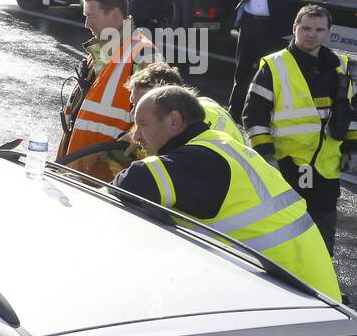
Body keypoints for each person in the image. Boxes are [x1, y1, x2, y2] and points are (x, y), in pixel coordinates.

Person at [113, 85, 340, 302]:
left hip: (299, 303)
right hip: (315, 293)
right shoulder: (219, 145)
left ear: (174, 120)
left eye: (142, 124)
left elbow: (133, 182)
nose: (137, 137)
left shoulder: (198, 160)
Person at [241, 4, 355, 255]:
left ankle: (323, 289)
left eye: (318, 29)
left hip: (326, 167)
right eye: (305, 28)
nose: (311, 34)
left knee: (323, 239)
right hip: (285, 165)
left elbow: (351, 114)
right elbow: (253, 117)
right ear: (294, 28)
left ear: (329, 32)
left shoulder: (341, 67)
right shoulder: (274, 66)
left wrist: (351, 151)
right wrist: (267, 158)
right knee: (282, 235)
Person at [59, 0, 156, 181]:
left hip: (104, 181)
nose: (86, 24)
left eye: (92, 16)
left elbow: (157, 119)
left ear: (115, 15)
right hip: (77, 171)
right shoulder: (100, 52)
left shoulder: (142, 53)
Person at [228, 0, 304, 118]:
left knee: (268, 72)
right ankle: (234, 111)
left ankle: (258, 114)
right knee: (242, 69)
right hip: (249, 24)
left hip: (270, 27)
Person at [126, 62, 246, 148]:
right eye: (133, 103)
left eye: (140, 104)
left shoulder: (184, 126)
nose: (133, 112)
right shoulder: (206, 104)